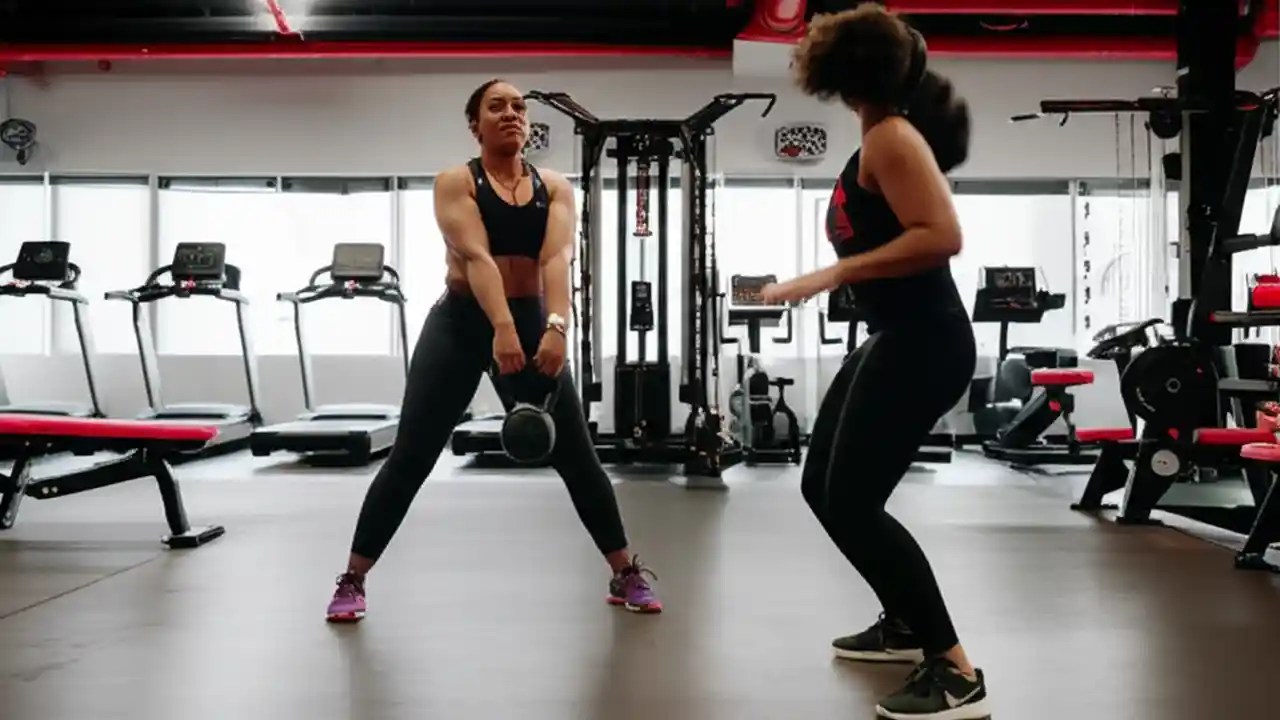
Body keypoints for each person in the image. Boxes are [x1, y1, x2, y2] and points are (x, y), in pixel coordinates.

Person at [325, 78, 662, 623]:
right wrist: (501, 328)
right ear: (474, 125)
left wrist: (556, 327)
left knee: (577, 457)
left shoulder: (554, 186)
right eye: (496, 106)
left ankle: (625, 572)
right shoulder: (455, 182)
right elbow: (476, 257)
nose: (511, 114)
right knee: (411, 456)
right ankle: (353, 579)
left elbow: (556, 260)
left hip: (530, 317)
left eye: (519, 107)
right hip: (461, 323)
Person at [760, 6, 988, 720]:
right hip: (895, 336)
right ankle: (905, 623)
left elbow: (942, 235)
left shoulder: (891, 137)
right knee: (820, 487)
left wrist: (834, 273)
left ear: (841, 70)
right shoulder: (877, 138)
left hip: (927, 340)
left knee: (855, 505)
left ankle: (955, 671)